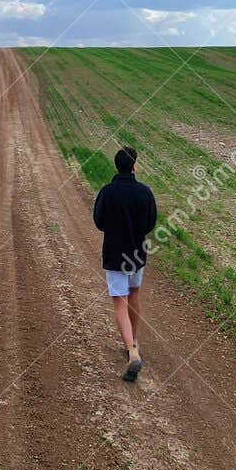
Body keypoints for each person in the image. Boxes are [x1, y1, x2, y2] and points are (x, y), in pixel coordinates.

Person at [92, 146, 157, 382]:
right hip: (137, 254)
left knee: (119, 302)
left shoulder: (107, 192)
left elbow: (99, 222)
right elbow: (150, 223)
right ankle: (134, 341)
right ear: (134, 166)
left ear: (117, 166)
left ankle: (131, 351)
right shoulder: (145, 192)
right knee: (134, 294)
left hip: (114, 254)